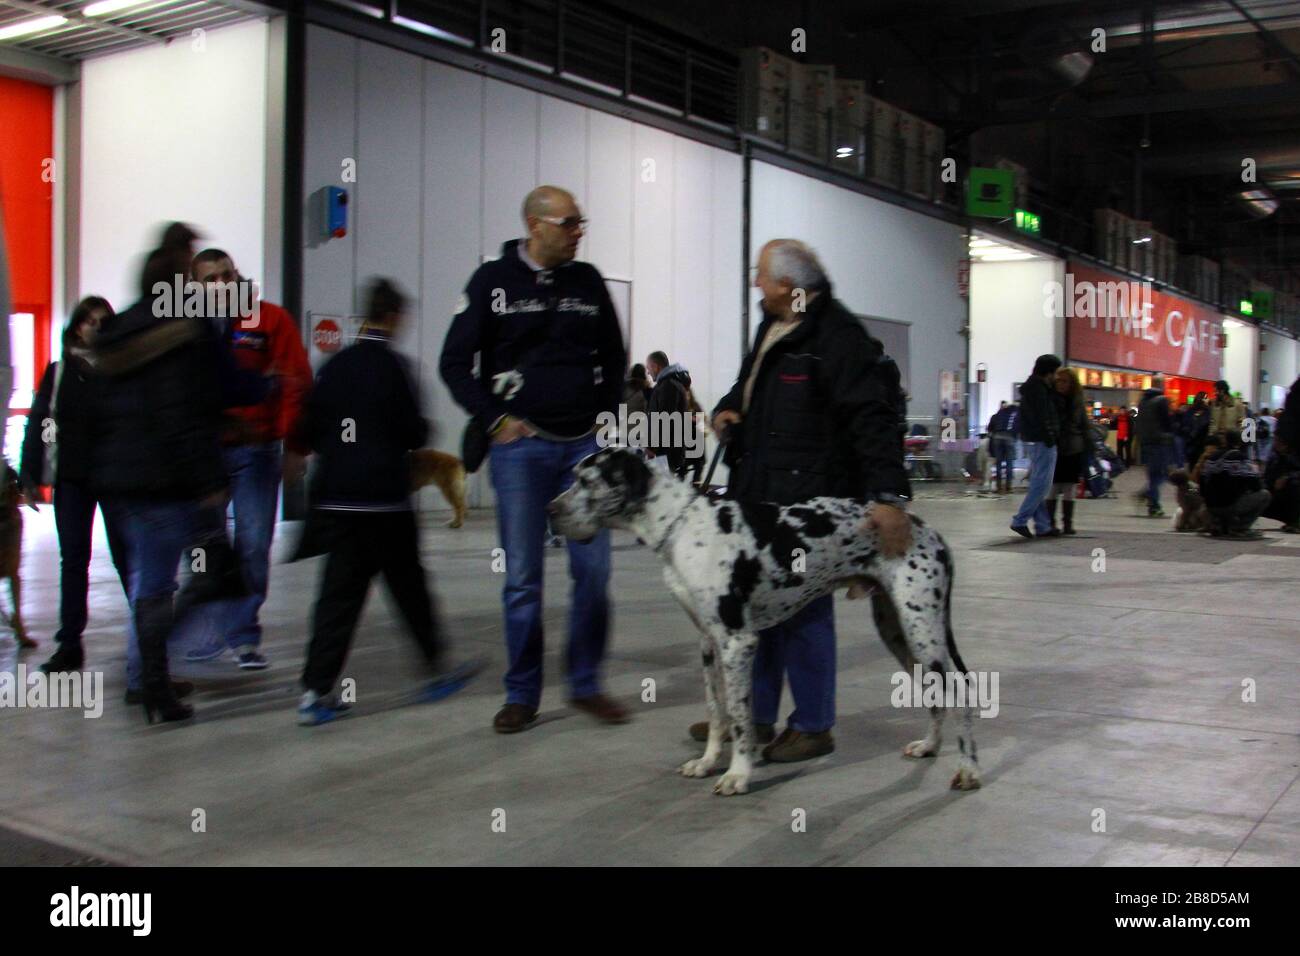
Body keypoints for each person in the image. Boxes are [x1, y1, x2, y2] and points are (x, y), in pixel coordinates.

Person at [689, 238, 912, 762]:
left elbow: (873, 420)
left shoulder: (839, 337)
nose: (755, 284)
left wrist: (887, 497)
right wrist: (727, 409)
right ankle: (754, 719)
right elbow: (750, 385)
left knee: (805, 614)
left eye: (761, 276)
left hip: (810, 504)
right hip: (758, 496)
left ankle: (813, 725)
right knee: (754, 609)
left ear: (790, 287)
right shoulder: (775, 324)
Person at [439, 185, 627, 734]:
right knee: (523, 578)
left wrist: (604, 411)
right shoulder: (491, 283)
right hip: (521, 450)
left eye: (580, 222)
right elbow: (453, 363)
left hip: (583, 447)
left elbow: (613, 354)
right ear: (534, 224)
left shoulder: (587, 282)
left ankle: (587, 683)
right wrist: (496, 420)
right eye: (569, 223)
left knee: (594, 571)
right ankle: (522, 693)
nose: (578, 232)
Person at [84, 224, 269, 723]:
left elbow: (106, 410)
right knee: (195, 577)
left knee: (152, 579)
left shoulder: (118, 331)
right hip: (170, 477)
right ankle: (154, 681)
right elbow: (187, 408)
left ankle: (147, 679)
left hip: (124, 480)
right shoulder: (185, 330)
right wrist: (208, 478)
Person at [295, 279, 473, 725]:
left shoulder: (334, 366)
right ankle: (437, 670)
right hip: (385, 504)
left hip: (339, 503)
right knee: (410, 589)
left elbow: (306, 430)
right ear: (393, 317)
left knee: (337, 599)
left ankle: (314, 694)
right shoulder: (393, 368)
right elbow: (414, 433)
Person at [181, 249, 313, 670]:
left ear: (237, 276)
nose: (220, 285)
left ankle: (242, 634)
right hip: (206, 455)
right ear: (196, 286)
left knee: (254, 544)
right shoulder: (188, 330)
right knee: (206, 548)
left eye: (225, 276)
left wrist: (295, 446)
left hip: (257, 452)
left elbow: (296, 383)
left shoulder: (270, 320)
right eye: (210, 280)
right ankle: (209, 631)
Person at [19, 298, 153, 683]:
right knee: (73, 560)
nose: (95, 327)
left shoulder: (120, 370)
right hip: (73, 480)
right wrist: (30, 476)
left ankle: (148, 641)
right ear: (77, 328)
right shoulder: (60, 372)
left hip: (115, 478)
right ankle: (69, 644)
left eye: (102, 321)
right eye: (89, 321)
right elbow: (40, 423)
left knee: (127, 558)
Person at [1010, 354, 1062, 538]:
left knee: (1038, 482)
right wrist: (1050, 437)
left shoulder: (1032, 388)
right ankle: (1020, 520)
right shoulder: (1039, 390)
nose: (1056, 377)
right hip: (1042, 440)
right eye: (1055, 373)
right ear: (1048, 372)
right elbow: (1043, 417)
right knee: (1042, 484)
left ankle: (1043, 525)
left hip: (1033, 439)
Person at [1199, 431, 1270, 537]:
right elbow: (1256, 485)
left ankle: (1218, 524)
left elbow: (1202, 482)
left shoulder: (1212, 458)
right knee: (1265, 495)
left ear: (1224, 441)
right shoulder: (1241, 458)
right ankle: (1241, 527)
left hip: (1210, 506)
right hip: (1230, 505)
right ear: (1239, 442)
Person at [1044, 367, 1089, 536]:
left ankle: (1068, 523)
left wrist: (1088, 443)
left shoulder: (1077, 401)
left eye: (1065, 381)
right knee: (1053, 486)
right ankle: (1050, 522)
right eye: (1058, 381)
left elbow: (1083, 424)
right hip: (1055, 447)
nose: (1061, 384)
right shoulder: (1051, 400)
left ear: (1072, 384)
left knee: (1070, 486)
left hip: (1073, 447)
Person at [645, 351, 698, 477]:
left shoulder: (668, 386)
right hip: (667, 450)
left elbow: (665, 419)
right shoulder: (669, 384)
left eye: (648, 368)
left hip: (665, 452)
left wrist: (652, 447)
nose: (648, 372)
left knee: (663, 488)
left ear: (655, 366)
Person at [1135, 376, 1174, 518]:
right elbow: (1167, 422)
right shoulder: (1162, 400)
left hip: (1146, 442)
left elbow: (1138, 422)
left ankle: (1151, 500)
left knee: (1152, 474)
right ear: (1161, 385)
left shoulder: (1142, 400)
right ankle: (1151, 499)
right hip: (1160, 442)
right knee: (1162, 474)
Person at [987, 400, 1018, 494]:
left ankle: (999, 486)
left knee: (998, 463)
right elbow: (1018, 426)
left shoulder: (996, 415)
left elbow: (989, 429)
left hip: (997, 438)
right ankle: (1009, 486)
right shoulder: (1014, 413)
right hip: (1009, 438)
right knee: (1009, 462)